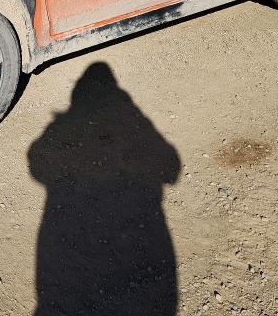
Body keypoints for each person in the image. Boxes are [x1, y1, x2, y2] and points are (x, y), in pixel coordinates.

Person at [28, 62, 181, 315]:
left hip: (69, 257)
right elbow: (171, 168)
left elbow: (36, 163)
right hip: (133, 247)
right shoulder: (132, 119)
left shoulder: (61, 127)